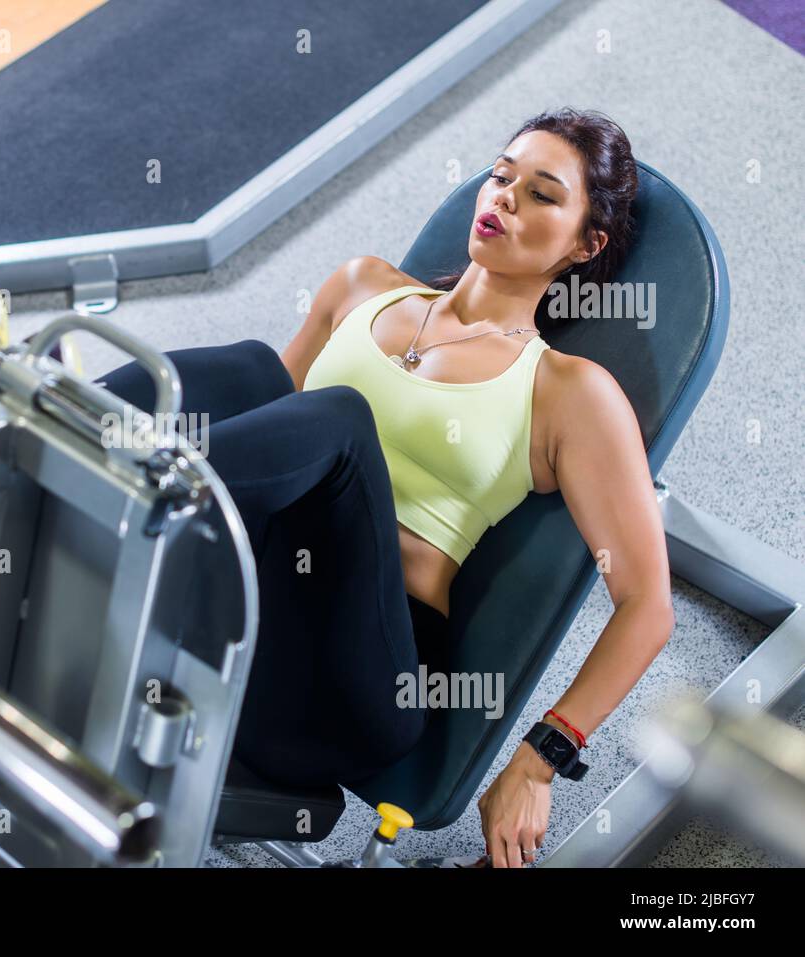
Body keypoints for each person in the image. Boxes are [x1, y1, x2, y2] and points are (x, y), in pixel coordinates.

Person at [95, 108, 674, 867]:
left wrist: (539, 760)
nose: (502, 198)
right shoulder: (365, 285)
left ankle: (129, 502)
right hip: (240, 611)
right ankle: (34, 432)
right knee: (250, 370)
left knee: (336, 417)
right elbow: (262, 423)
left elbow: (648, 605)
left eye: (540, 194)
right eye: (499, 177)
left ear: (585, 243)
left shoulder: (567, 392)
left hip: (346, 689)